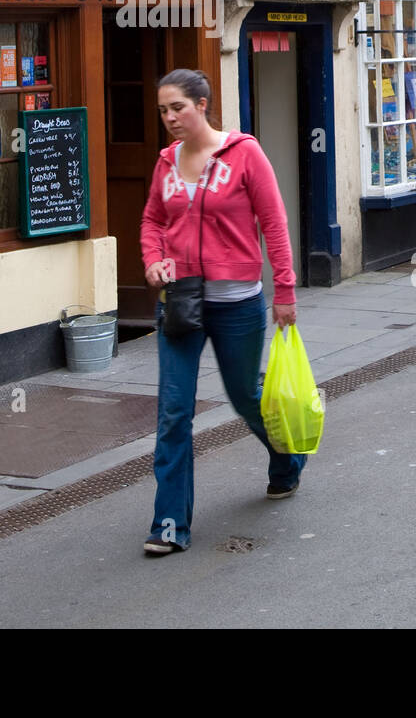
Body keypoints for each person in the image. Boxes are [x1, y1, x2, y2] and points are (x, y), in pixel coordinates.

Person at [139, 69, 305, 555]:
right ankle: (169, 525)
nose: (170, 118)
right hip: (180, 301)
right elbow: (152, 219)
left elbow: (274, 222)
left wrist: (286, 292)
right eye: (163, 111)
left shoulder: (244, 154)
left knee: (246, 397)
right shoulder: (166, 163)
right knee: (173, 413)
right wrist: (153, 261)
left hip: (237, 303)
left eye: (178, 108)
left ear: (202, 104)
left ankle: (287, 460)